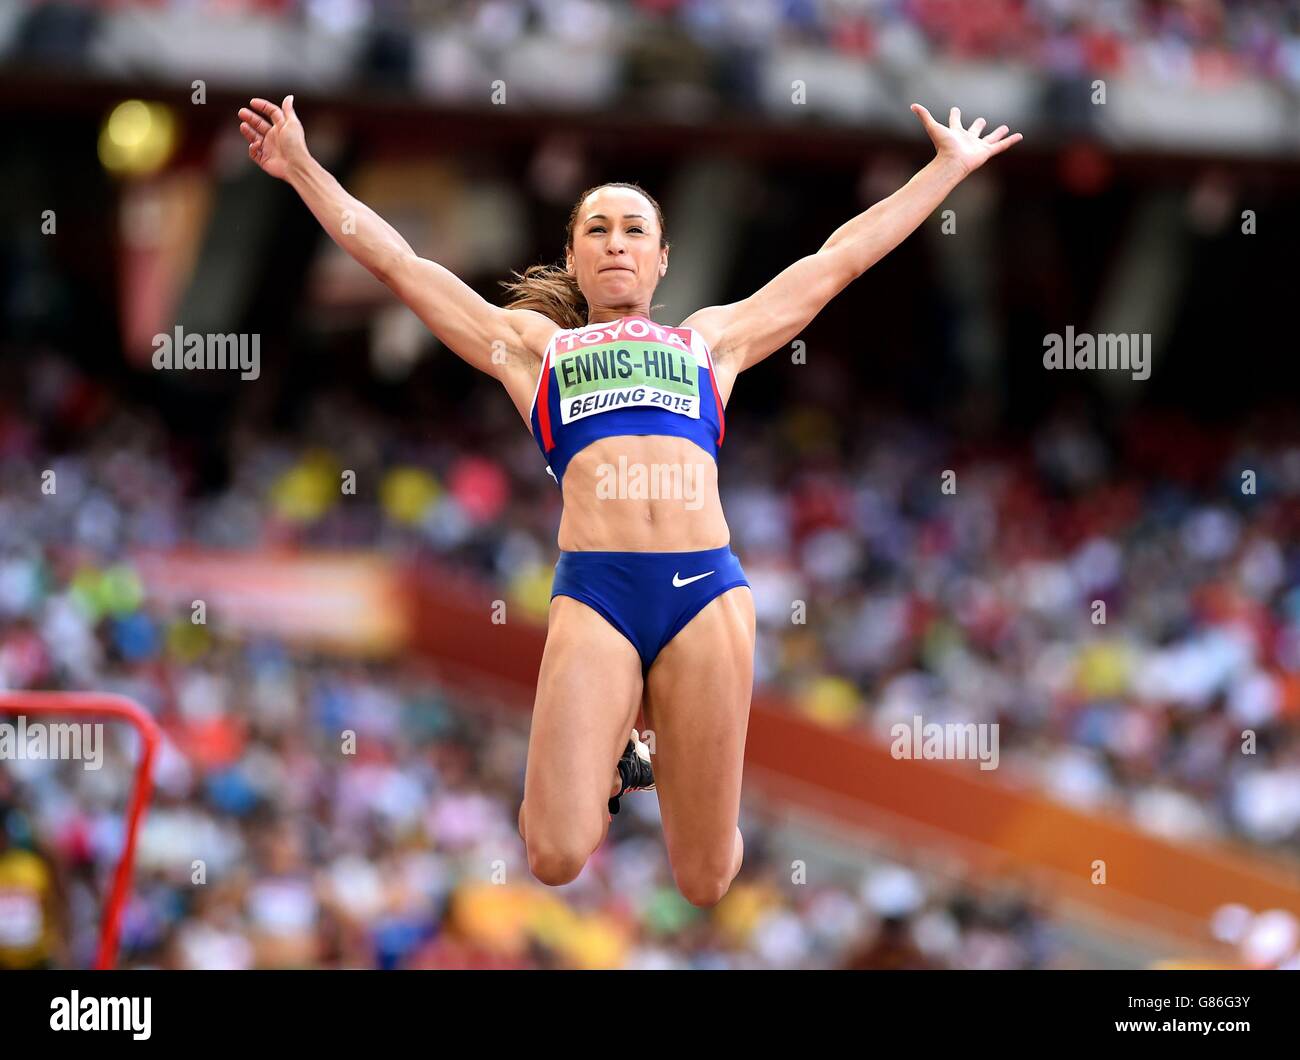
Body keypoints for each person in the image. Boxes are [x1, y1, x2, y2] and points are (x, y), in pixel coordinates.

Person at [237, 95, 1021, 906]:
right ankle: (625, 740)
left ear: (662, 260)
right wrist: (301, 166)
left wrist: (944, 170)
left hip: (705, 592)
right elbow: (401, 264)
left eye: (634, 229)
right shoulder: (534, 348)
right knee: (553, 852)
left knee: (707, 878)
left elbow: (838, 260)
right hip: (600, 591)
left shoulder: (711, 343)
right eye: (597, 230)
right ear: (573, 260)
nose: (616, 242)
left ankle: (659, 737)